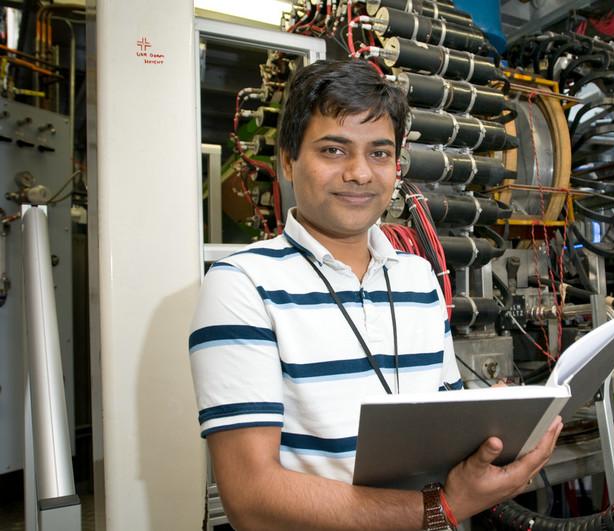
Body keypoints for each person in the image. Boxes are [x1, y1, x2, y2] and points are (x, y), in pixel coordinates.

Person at [189, 59, 563, 531]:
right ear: (288, 160)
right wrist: (441, 510)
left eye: (380, 153)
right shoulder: (241, 284)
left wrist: (497, 427)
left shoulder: (418, 279)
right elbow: (252, 498)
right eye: (334, 150)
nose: (360, 173)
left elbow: (442, 436)